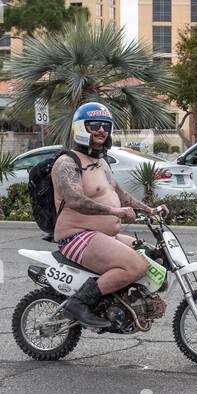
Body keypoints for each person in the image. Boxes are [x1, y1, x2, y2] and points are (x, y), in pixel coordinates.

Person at [52, 102, 165, 328]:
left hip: (101, 236)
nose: (101, 130)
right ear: (81, 128)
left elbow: (121, 195)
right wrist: (114, 211)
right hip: (76, 236)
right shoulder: (67, 162)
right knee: (136, 266)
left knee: (149, 253)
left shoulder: (100, 161)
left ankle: (118, 304)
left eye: (105, 125)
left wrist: (150, 210)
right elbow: (75, 200)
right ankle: (78, 303)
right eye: (94, 125)